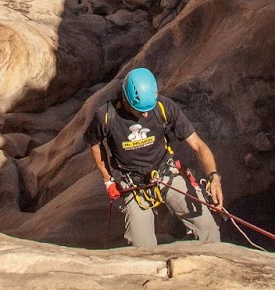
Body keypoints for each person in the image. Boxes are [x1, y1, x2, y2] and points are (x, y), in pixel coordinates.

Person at [86, 66, 224, 247]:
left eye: (146, 109)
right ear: (125, 99)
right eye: (139, 110)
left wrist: (213, 176)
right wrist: (108, 180)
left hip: (166, 173)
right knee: (142, 246)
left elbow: (198, 145)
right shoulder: (106, 116)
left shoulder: (162, 107)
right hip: (132, 183)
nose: (144, 114)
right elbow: (95, 144)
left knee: (209, 230)